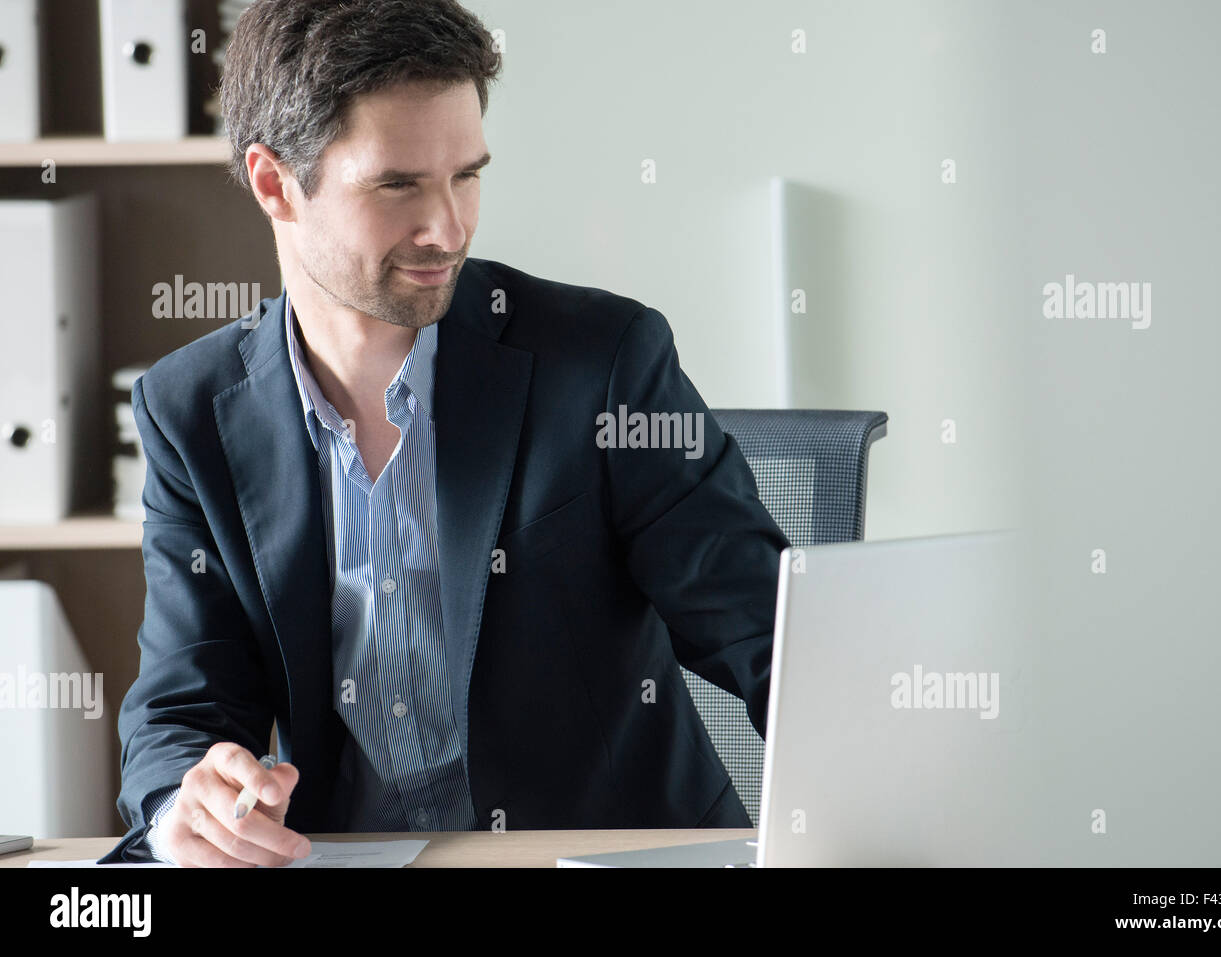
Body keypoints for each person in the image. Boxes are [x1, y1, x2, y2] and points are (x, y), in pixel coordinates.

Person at [101, 0, 788, 866]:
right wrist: (184, 809)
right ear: (275, 182)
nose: (449, 228)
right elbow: (182, 704)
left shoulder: (602, 362)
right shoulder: (189, 410)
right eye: (398, 185)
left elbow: (771, 636)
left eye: (467, 174)